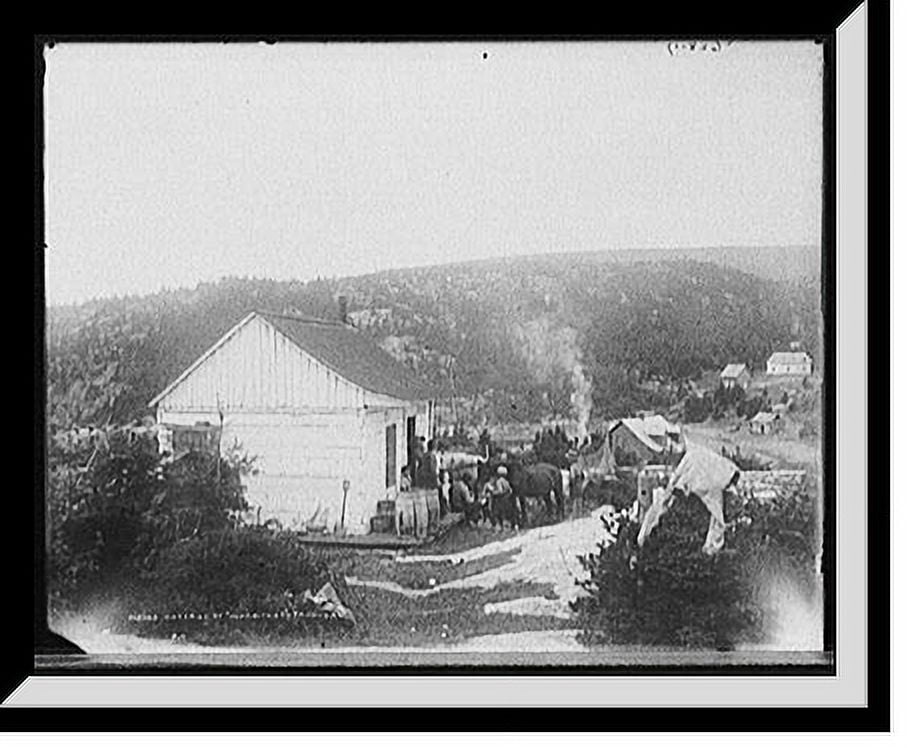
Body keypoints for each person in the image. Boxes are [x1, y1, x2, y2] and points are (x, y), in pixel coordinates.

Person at [487, 465, 516, 531]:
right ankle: (512, 526)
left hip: (501, 500)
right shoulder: (506, 481)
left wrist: (493, 493)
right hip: (508, 499)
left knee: (498, 513)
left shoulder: (499, 481)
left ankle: (501, 527)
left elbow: (500, 491)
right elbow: (510, 490)